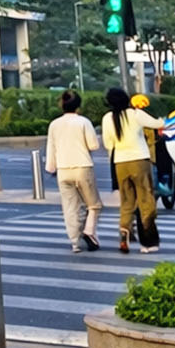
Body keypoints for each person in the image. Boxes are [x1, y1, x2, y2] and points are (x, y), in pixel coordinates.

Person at [101, 87, 164, 253]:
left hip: (120, 163)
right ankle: (148, 242)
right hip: (140, 161)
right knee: (145, 200)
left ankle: (124, 231)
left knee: (126, 201)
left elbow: (108, 144)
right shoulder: (136, 114)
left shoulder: (107, 118)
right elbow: (158, 124)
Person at [44, 90, 102, 253]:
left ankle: (75, 243)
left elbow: (51, 148)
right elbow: (94, 145)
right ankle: (89, 232)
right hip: (82, 167)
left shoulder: (54, 124)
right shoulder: (83, 122)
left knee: (70, 207)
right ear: (79, 105)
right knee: (94, 205)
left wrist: (51, 167)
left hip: (63, 170)